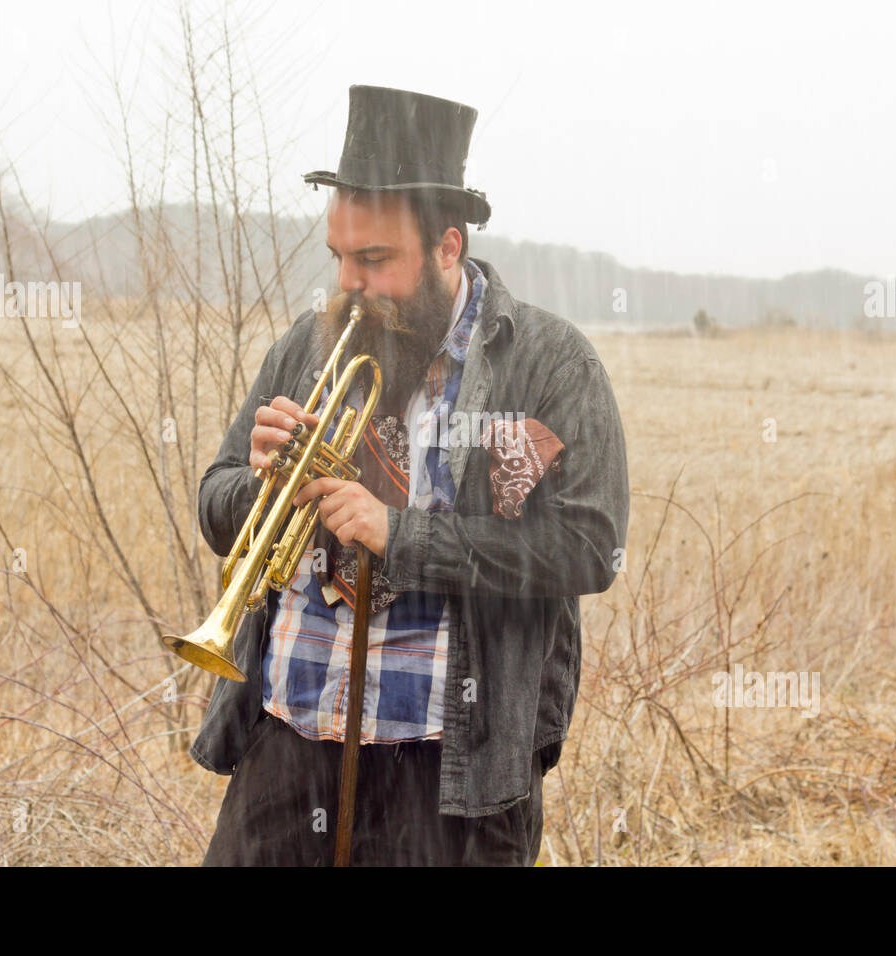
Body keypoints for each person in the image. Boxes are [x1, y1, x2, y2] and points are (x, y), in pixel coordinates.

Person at [190, 85, 629, 865]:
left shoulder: (550, 363)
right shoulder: (307, 345)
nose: (351, 284)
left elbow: (589, 547)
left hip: (449, 772)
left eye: (376, 260)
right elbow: (216, 501)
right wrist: (264, 485)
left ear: (448, 248)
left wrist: (403, 535)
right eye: (339, 258)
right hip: (287, 750)